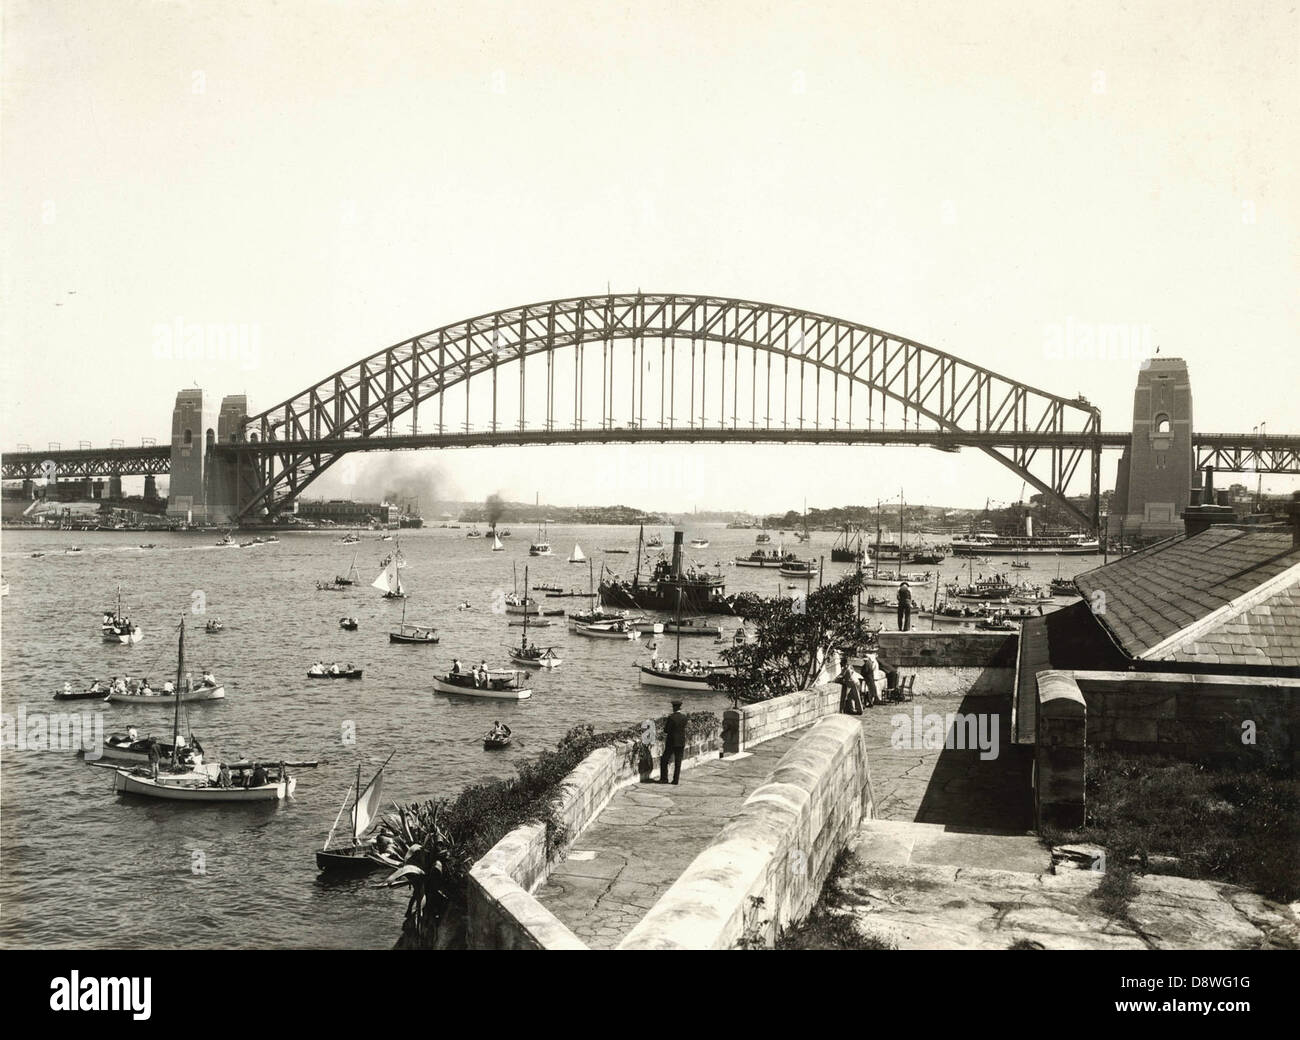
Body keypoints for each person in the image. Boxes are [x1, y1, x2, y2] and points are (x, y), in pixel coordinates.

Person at [659, 699, 688, 785]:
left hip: (671, 742)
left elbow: (666, 730)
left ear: (674, 708)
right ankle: (676, 780)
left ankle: (664, 778)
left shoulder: (671, 717)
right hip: (681, 742)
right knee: (678, 761)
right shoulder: (684, 717)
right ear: (680, 707)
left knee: (664, 760)